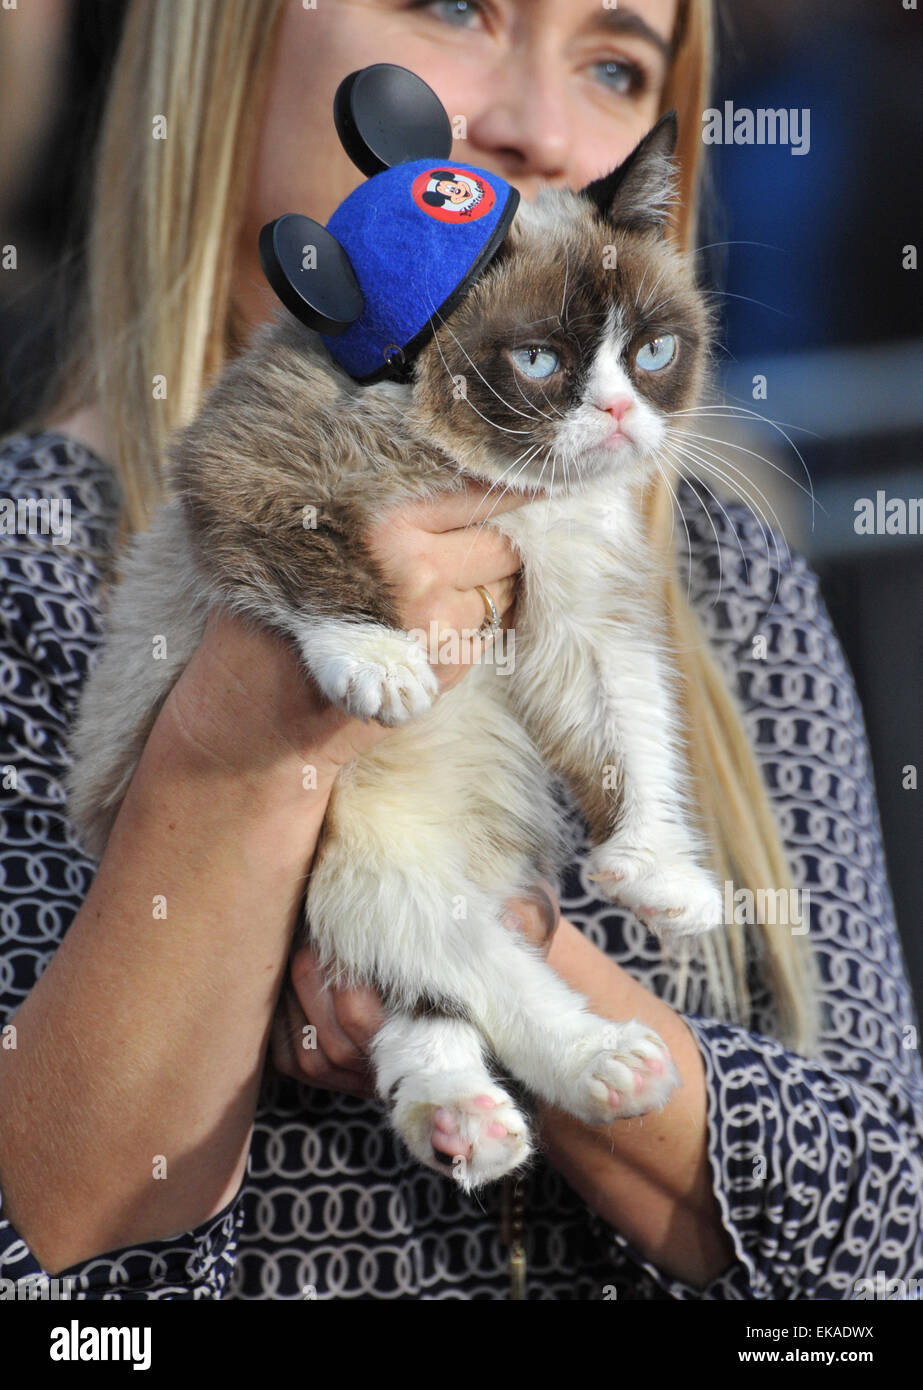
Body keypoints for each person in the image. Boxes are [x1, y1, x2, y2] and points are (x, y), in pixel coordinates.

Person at [0, 0, 920, 1301]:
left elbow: (883, 1241)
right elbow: (46, 1266)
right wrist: (241, 743)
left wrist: (492, 964)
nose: (534, 130)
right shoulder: (28, 551)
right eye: (450, 8)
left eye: (613, 66)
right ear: (233, 37)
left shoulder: (726, 574)